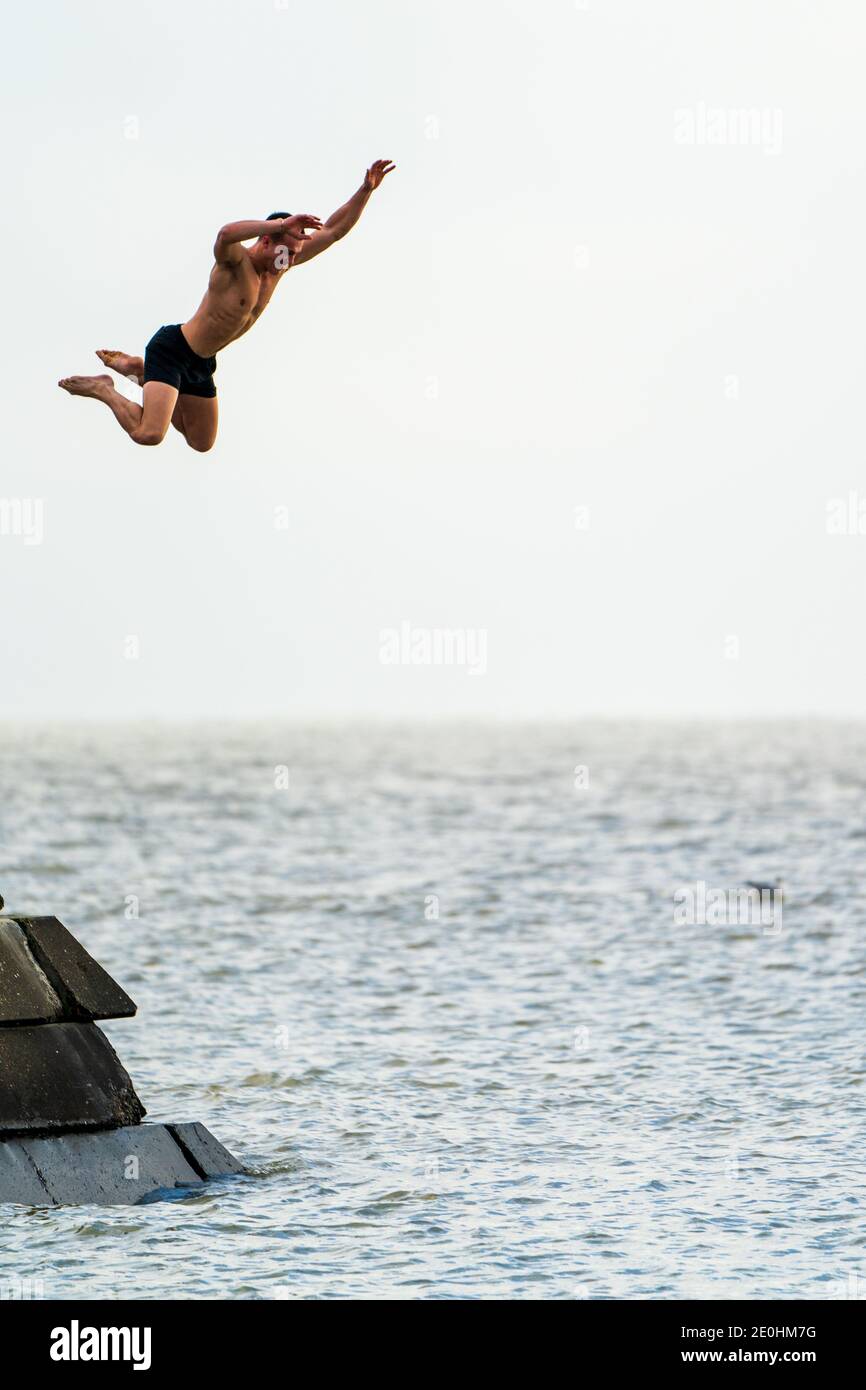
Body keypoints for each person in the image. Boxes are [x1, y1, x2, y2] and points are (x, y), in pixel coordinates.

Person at [58, 159, 396, 452]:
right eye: (284, 252)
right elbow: (224, 234)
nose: (289, 261)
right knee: (150, 434)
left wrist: (365, 190)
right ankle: (104, 388)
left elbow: (334, 231)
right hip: (173, 350)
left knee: (200, 442)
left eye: (293, 255)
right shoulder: (235, 264)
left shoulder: (279, 267)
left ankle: (144, 373)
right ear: (266, 241)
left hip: (202, 362)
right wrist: (280, 224)